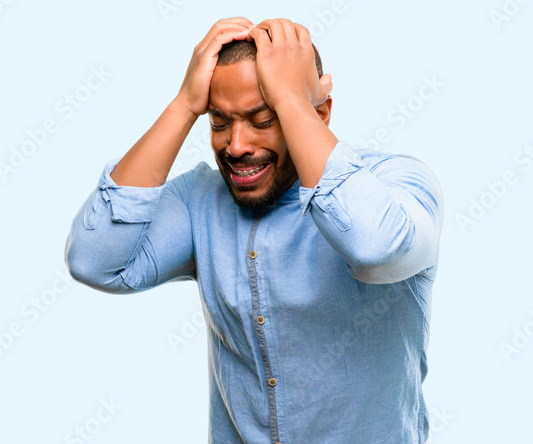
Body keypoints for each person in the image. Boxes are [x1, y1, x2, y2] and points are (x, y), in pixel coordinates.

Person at [64, 17, 443, 443]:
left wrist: (291, 100)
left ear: (319, 112)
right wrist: (184, 106)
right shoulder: (199, 201)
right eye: (219, 121)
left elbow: (376, 247)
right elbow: (94, 261)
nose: (236, 145)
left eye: (264, 119)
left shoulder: (398, 185)